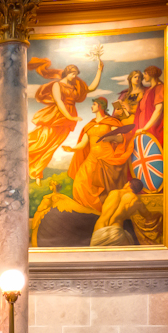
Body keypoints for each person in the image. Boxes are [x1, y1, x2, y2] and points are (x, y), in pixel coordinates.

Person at [26, 48, 104, 179]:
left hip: (67, 119)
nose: (75, 76)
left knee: (53, 145)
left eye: (76, 74)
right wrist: (70, 116)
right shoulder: (57, 85)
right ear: (67, 73)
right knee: (42, 140)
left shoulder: (75, 86)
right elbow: (59, 102)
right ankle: (24, 154)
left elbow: (91, 88)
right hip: (56, 116)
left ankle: (36, 170)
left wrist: (99, 71)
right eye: (73, 74)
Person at [64, 97, 134, 213]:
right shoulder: (90, 125)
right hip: (92, 158)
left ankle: (103, 211)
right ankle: (88, 211)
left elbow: (121, 138)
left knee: (104, 187)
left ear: (100, 106)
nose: (92, 106)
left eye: (94, 104)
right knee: (79, 182)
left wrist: (110, 138)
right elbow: (83, 143)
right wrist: (72, 148)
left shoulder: (110, 122)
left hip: (106, 158)